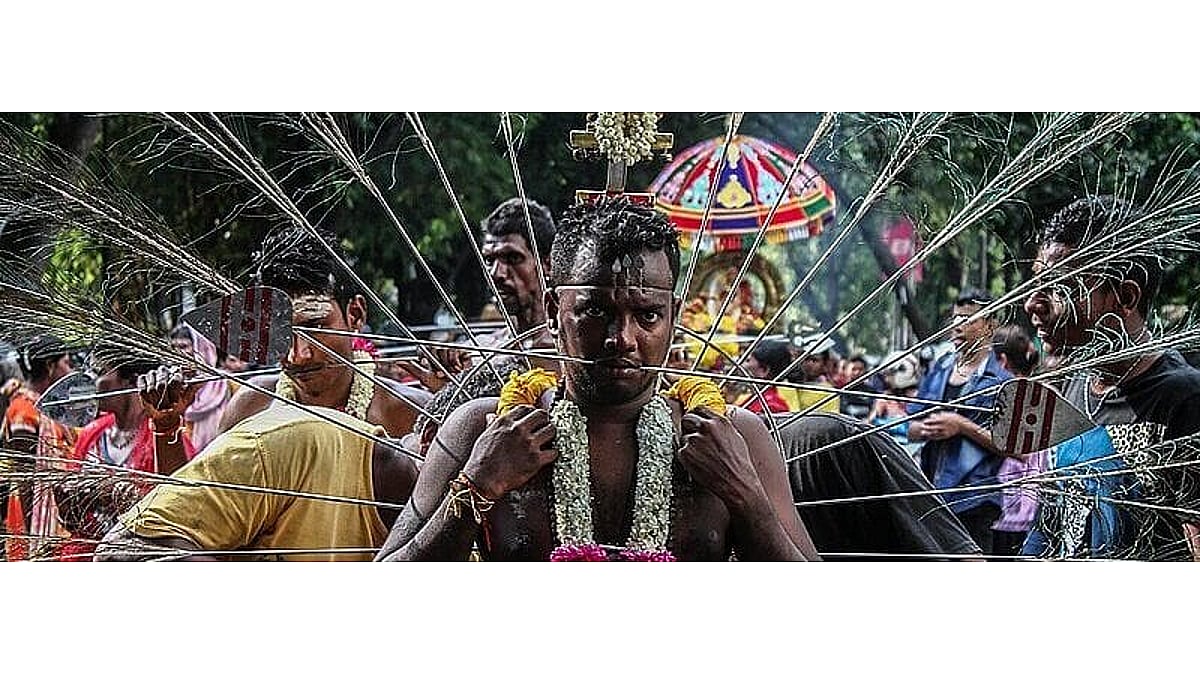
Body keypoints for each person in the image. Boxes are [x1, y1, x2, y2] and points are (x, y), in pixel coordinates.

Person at [376, 197, 816, 561]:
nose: (622, 338)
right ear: (553, 311)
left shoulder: (734, 438)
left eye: (647, 315)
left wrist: (745, 494)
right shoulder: (482, 431)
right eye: (595, 313)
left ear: (674, 317)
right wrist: (475, 489)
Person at [1020, 196, 1200, 560]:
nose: (1032, 303)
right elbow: (1054, 517)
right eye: (1036, 283)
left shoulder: (1183, 400)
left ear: (1125, 297)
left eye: (1059, 287)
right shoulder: (1075, 386)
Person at [95, 367, 419, 561]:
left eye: (315, 324)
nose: (301, 354)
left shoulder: (405, 408)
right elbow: (197, 514)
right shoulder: (255, 404)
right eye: (286, 334)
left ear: (355, 316)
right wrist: (167, 430)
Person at [217, 225, 429, 438]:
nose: (297, 356)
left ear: (355, 315)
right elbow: (194, 473)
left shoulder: (412, 414)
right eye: (280, 333)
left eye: (315, 328)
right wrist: (180, 417)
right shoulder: (248, 409)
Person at [398, 197, 557, 391]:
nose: (496, 273)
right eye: (490, 260)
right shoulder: (478, 351)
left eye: (513, 258)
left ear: (547, 264)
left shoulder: (570, 352)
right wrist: (447, 391)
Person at [54, 360, 196, 560]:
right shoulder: (91, 433)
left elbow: (179, 505)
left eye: (100, 371)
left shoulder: (165, 436)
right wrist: (67, 505)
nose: (92, 381)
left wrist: (117, 492)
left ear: (132, 381)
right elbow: (72, 512)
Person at [908, 288, 1011, 555]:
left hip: (974, 501)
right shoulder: (938, 371)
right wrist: (925, 429)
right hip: (930, 496)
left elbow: (1016, 448)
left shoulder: (1001, 384)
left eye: (966, 319)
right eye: (954, 319)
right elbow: (909, 426)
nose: (957, 327)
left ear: (990, 325)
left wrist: (962, 426)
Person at [2, 337, 78, 560]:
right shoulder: (23, 411)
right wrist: (35, 536)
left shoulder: (49, 407)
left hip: (58, 512)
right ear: (50, 365)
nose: (70, 370)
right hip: (33, 519)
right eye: (66, 363)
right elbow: (25, 477)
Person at [988, 325, 1044, 557]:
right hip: (1034, 497)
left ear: (1001, 360)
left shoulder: (1001, 393)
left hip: (1005, 498)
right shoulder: (1042, 390)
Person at [168, 324, 231, 452]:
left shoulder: (227, 385)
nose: (177, 354)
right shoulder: (169, 388)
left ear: (202, 349)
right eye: (173, 348)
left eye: (183, 347)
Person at [866, 352, 922, 461]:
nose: (886, 380)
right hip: (890, 454)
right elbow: (869, 424)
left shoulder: (920, 398)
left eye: (890, 375)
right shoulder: (885, 398)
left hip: (914, 455)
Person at [736, 339, 793, 414]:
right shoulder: (755, 398)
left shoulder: (771, 407)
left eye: (748, 361)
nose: (742, 366)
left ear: (764, 370)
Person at [839, 354, 877, 420]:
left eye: (860, 369)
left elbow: (874, 410)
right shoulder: (840, 390)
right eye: (853, 369)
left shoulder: (871, 392)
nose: (857, 372)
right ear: (847, 370)